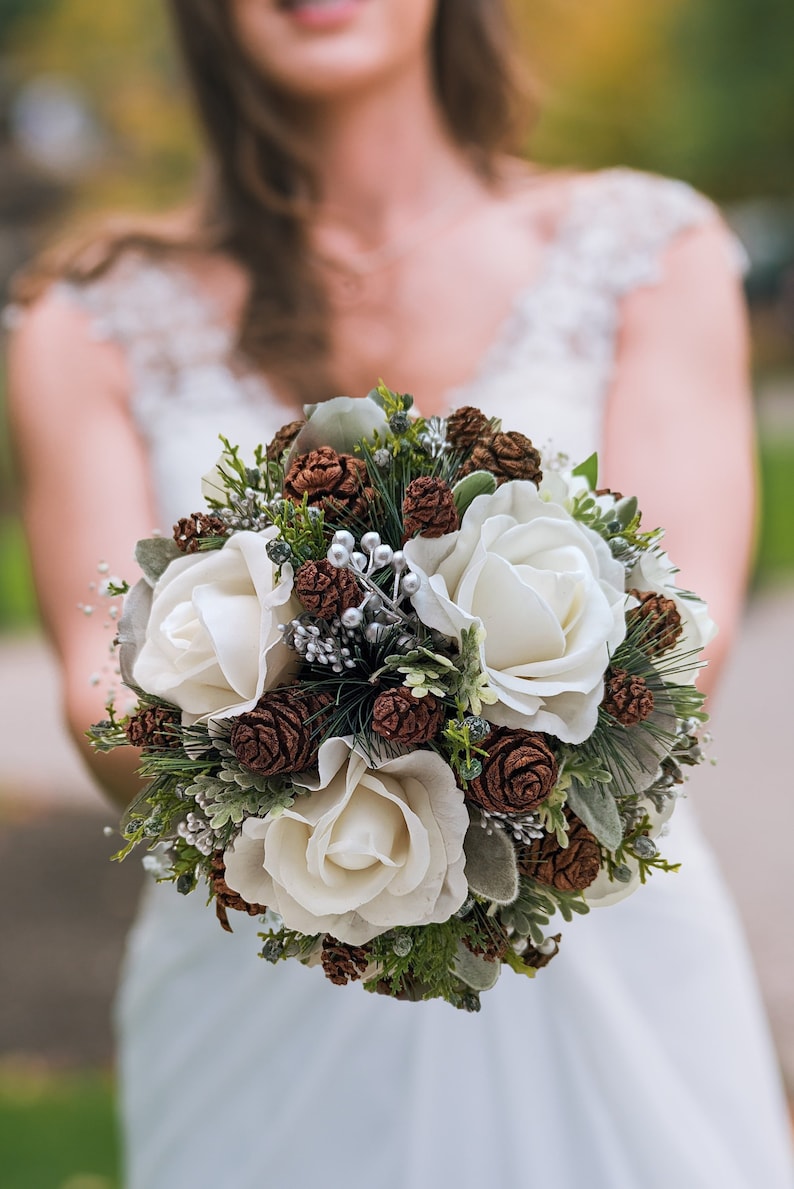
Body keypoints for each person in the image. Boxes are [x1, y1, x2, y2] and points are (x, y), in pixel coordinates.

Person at [7, 1, 794, 1186]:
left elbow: (684, 635)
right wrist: (335, 819)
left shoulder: (645, 248)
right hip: (260, 984)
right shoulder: (91, 321)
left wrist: (462, 781)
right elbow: (101, 694)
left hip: (599, 954)